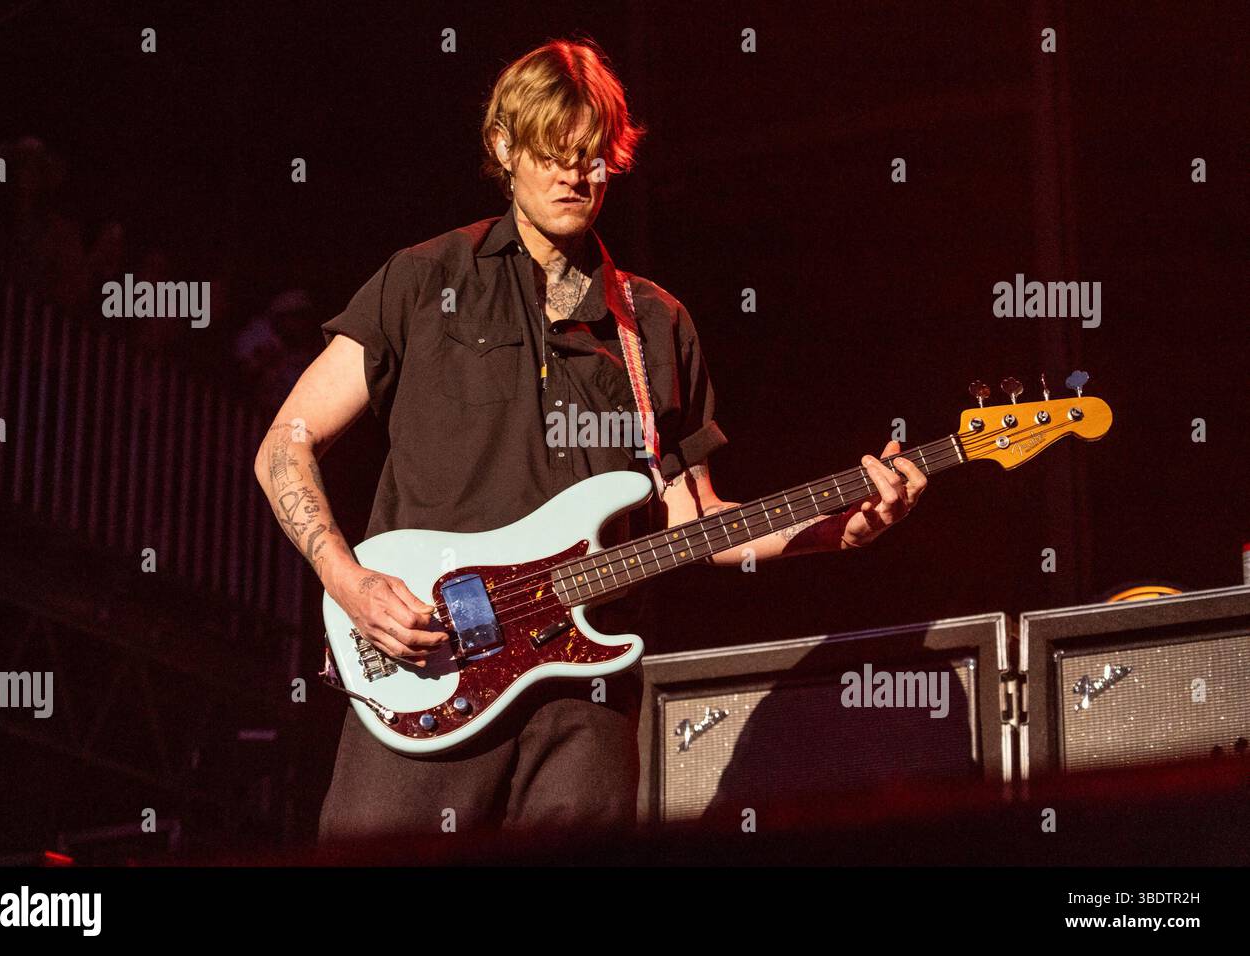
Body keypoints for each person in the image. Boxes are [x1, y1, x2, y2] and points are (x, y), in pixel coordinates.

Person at [253, 38, 926, 843]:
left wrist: (838, 530)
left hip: (587, 695)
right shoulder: (424, 278)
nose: (577, 175)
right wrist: (349, 581)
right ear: (503, 147)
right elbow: (285, 443)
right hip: (427, 663)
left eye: (594, 156)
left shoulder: (655, 324)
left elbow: (696, 520)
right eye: (554, 153)